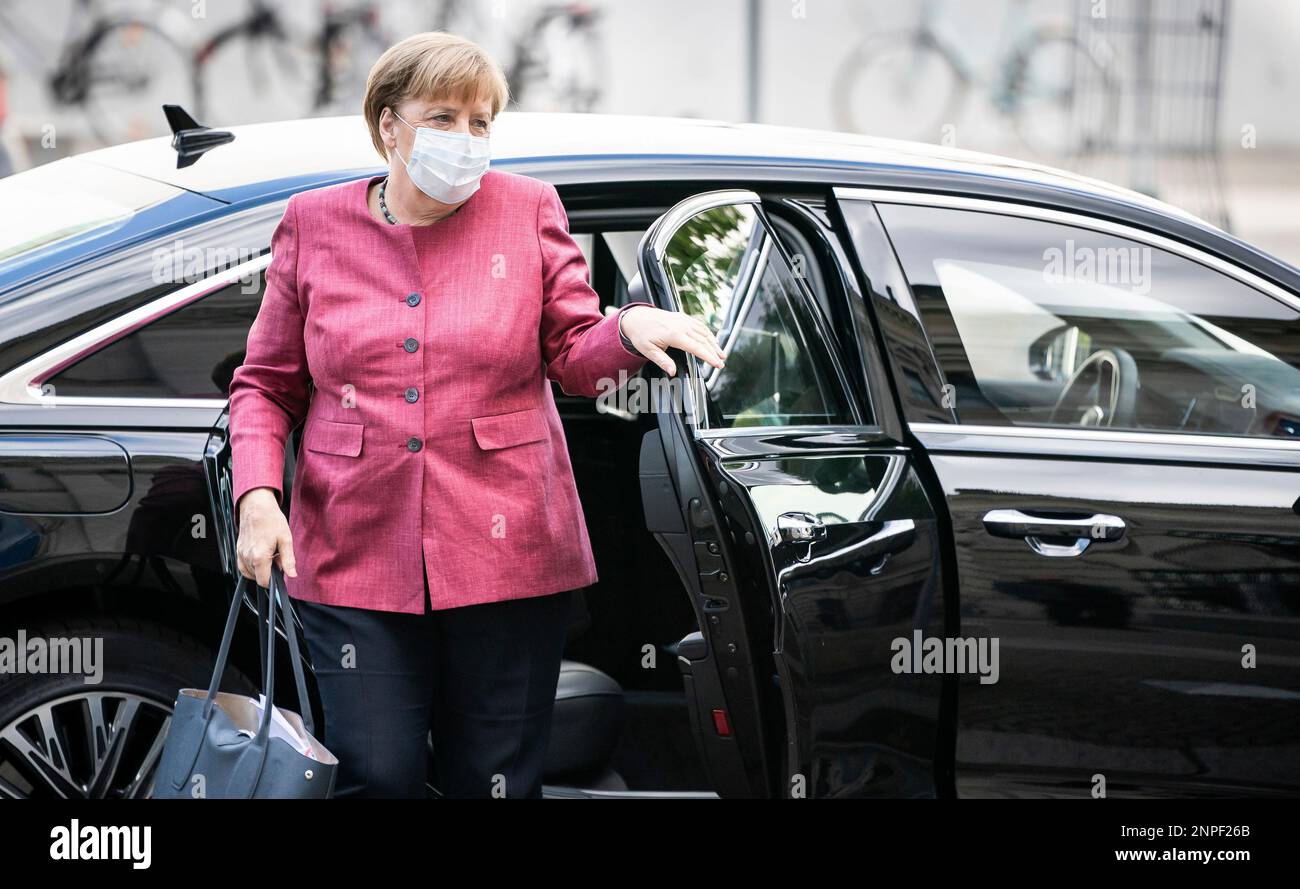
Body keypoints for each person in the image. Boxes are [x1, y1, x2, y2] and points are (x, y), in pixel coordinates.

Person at [228, 31, 723, 798]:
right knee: (377, 773)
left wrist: (625, 329)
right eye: (443, 118)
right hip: (353, 548)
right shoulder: (313, 223)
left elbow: (572, 350)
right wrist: (258, 496)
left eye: (481, 121)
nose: (466, 139)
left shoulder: (526, 210)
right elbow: (265, 384)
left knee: (491, 778)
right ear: (388, 126)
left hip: (508, 548)